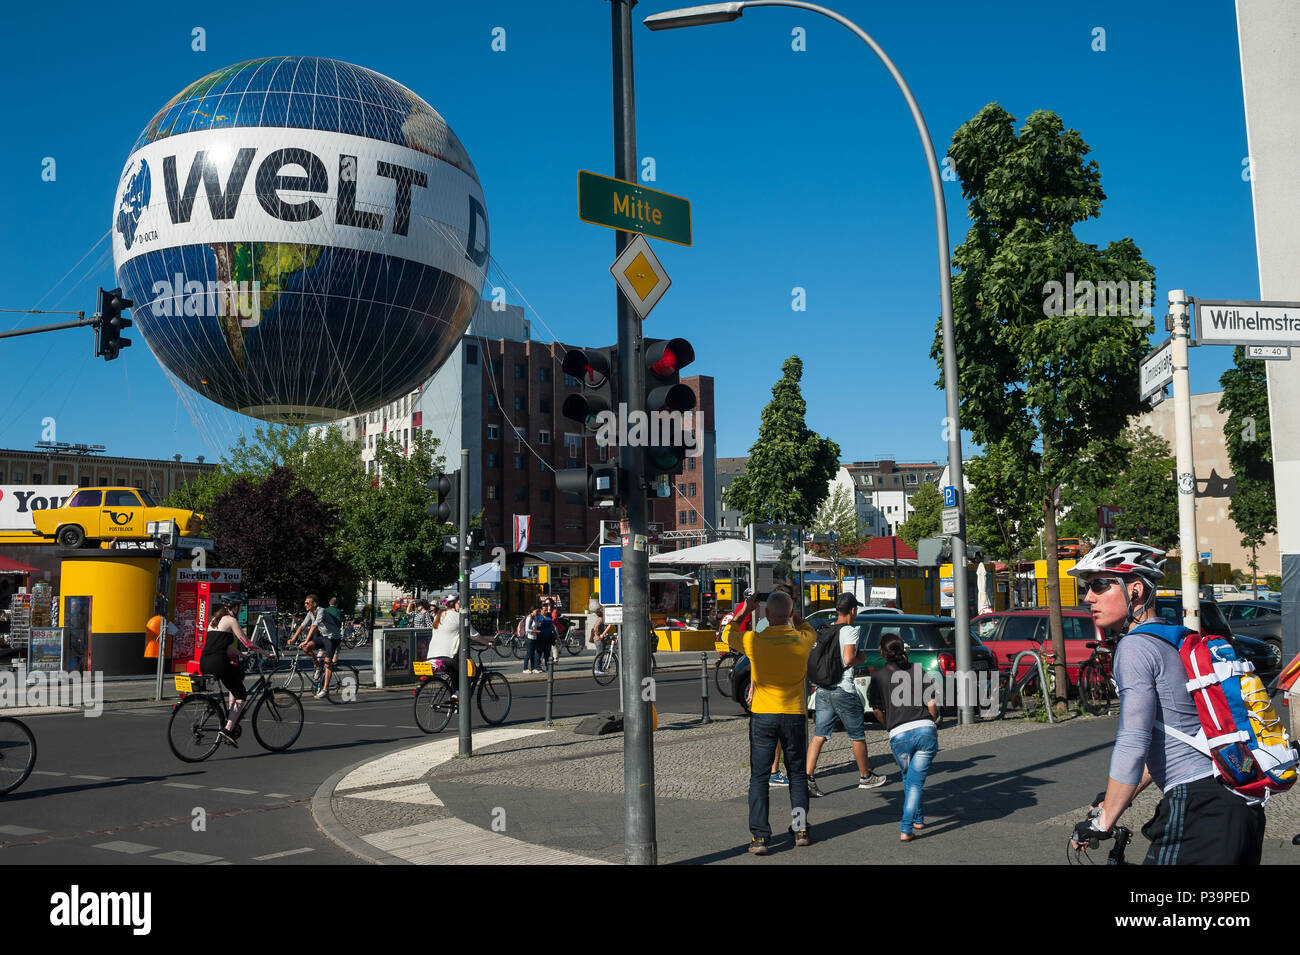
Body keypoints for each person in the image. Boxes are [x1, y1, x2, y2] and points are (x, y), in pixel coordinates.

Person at [1066, 541, 1267, 864]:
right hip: (1238, 804)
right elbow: (1171, 740)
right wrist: (1113, 802)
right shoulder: (1177, 637)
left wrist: (1103, 823)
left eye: (1100, 585)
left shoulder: (1134, 648)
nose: (1089, 597)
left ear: (1135, 590)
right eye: (1088, 587)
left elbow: (1134, 740)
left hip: (1199, 810)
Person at [722, 589, 817, 854]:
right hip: (794, 714)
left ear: (765, 614)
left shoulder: (754, 640)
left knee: (759, 776)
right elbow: (809, 628)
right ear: (790, 614)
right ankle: (800, 829)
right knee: (797, 774)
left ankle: (760, 838)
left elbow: (726, 633)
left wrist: (745, 610)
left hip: (764, 715)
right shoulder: (802, 639)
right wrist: (793, 616)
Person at [806, 592, 887, 796]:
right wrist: (861, 659)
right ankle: (865, 777)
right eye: (856, 609)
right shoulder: (849, 630)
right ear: (852, 610)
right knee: (857, 735)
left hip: (824, 689)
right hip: (843, 689)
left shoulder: (826, 628)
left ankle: (808, 778)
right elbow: (849, 658)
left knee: (819, 735)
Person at [869, 634, 939, 841]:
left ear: (882, 652)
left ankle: (910, 824)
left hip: (899, 735)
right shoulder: (917, 670)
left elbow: (877, 710)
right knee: (914, 781)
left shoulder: (878, 676)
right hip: (925, 730)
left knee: (910, 779)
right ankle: (913, 822)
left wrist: (889, 725)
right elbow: (932, 703)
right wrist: (931, 722)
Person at [199, 595, 271, 746]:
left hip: (205, 662)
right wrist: (266, 653)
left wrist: (240, 654)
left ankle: (232, 713)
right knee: (242, 694)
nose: (241, 609)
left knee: (237, 674)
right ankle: (228, 729)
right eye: (240, 607)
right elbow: (247, 643)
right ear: (234, 607)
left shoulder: (214, 620)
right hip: (219, 663)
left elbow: (224, 645)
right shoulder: (232, 621)